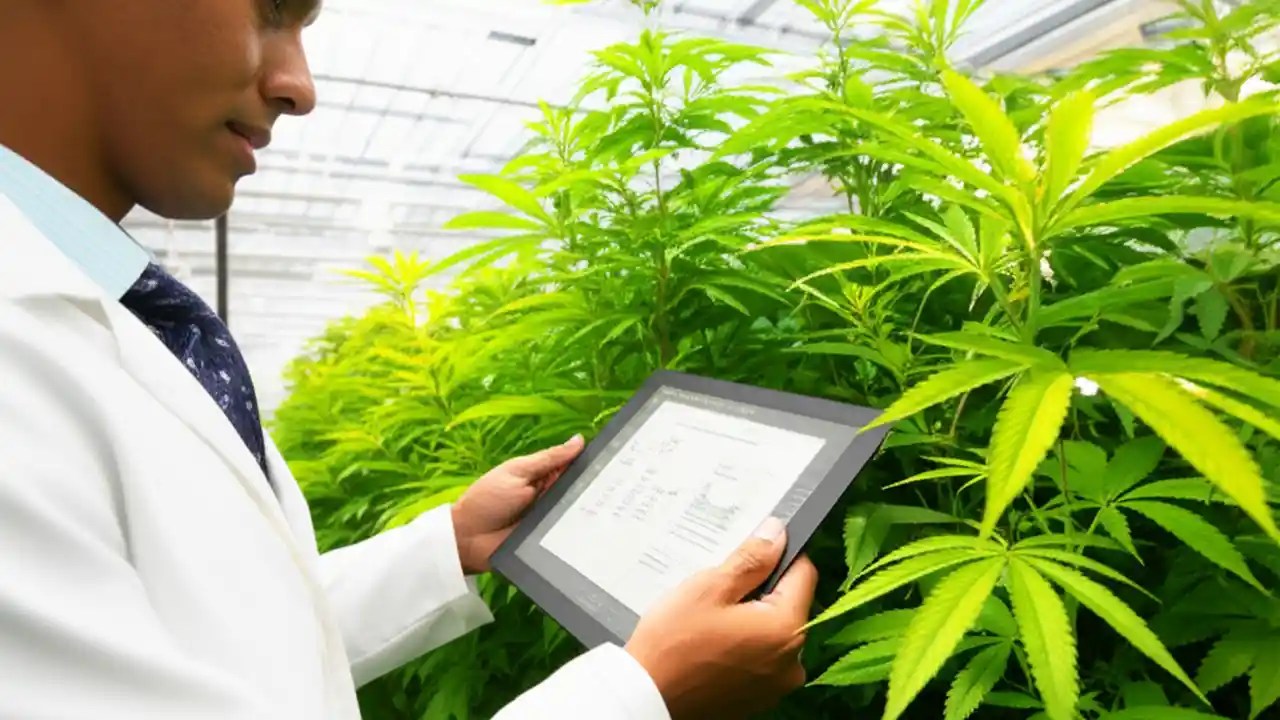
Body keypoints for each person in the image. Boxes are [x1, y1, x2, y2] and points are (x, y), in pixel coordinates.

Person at [0, 1, 820, 718]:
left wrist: (449, 544)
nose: (300, 86)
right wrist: (643, 695)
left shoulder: (116, 306)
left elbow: (226, 636)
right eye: (271, 7)